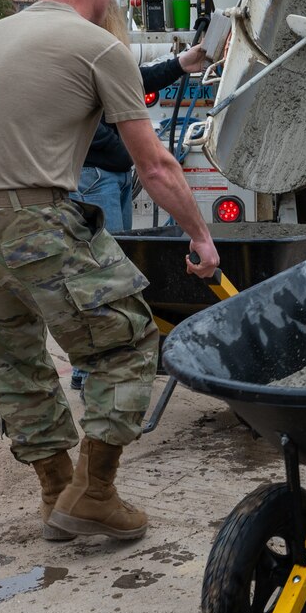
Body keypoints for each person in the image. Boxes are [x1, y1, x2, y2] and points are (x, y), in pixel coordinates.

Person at [0, 0, 221, 545]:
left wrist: (177, 65)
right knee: (128, 346)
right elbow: (155, 166)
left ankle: (55, 493)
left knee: (14, 362)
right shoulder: (95, 46)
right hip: (29, 222)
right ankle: (94, 494)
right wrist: (199, 236)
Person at [69, 39, 210, 393]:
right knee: (105, 277)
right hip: (93, 176)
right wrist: (135, 151)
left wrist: (181, 64)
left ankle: (103, 365)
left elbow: (133, 81)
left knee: (118, 268)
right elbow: (88, 129)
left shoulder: (98, 52)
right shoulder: (74, 50)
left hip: (109, 175)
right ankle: (92, 372)